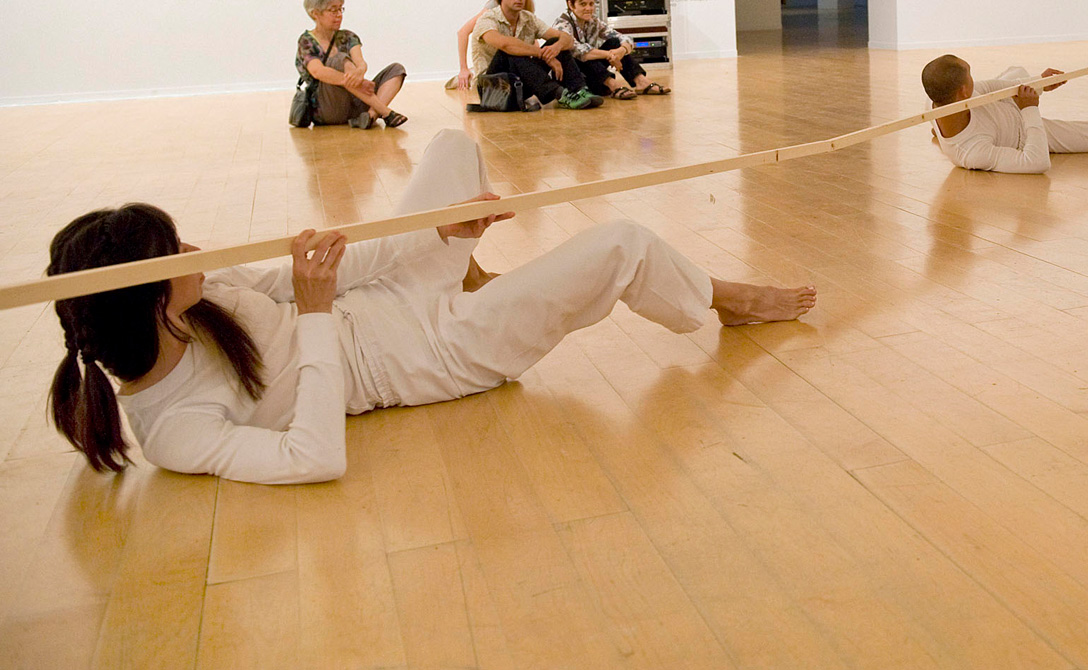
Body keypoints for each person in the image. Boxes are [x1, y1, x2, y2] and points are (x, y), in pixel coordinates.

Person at [45, 130, 818, 484]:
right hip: (426, 357)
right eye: (174, 250)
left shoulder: (205, 289)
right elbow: (312, 457)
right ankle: (723, 298)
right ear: (147, 302)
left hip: (385, 300)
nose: (193, 251)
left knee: (452, 153)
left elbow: (345, 268)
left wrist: (437, 231)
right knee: (620, 242)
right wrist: (314, 314)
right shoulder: (176, 430)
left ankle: (470, 273)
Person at [921, 55, 1088, 173]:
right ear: (963, 92)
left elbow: (987, 87)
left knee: (1016, 71)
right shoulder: (971, 152)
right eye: (970, 75)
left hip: (1004, 105)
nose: (974, 80)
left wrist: (1036, 83)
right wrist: (1029, 109)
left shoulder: (939, 99)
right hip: (1023, 132)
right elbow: (1036, 163)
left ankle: (940, 130)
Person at [468, 0, 600, 110]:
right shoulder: (487, 20)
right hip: (492, 89)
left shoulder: (528, 18)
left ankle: (579, 90)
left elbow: (567, 39)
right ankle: (560, 94)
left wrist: (556, 48)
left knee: (555, 41)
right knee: (510, 52)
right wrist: (542, 54)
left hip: (519, 84)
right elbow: (505, 45)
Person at [295, 0, 407, 128]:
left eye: (340, 9)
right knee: (339, 58)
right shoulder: (306, 41)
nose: (339, 14)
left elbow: (361, 63)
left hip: (354, 103)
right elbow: (318, 72)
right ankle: (386, 112)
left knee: (396, 69)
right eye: (333, 10)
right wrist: (358, 83)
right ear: (315, 14)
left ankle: (371, 115)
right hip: (327, 107)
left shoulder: (348, 36)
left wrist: (360, 73)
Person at [553, 0, 671, 99]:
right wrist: (610, 55)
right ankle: (612, 85)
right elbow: (579, 51)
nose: (588, 8)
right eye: (583, 4)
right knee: (587, 55)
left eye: (591, 4)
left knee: (614, 42)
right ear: (571, 5)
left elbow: (624, 38)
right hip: (571, 79)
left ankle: (641, 81)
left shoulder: (593, 21)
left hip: (593, 74)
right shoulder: (562, 24)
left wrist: (621, 50)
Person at [449, 0, 535, 91]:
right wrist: (463, 68)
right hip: (495, 64)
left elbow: (529, 37)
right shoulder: (493, 7)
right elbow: (463, 32)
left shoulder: (525, 9)